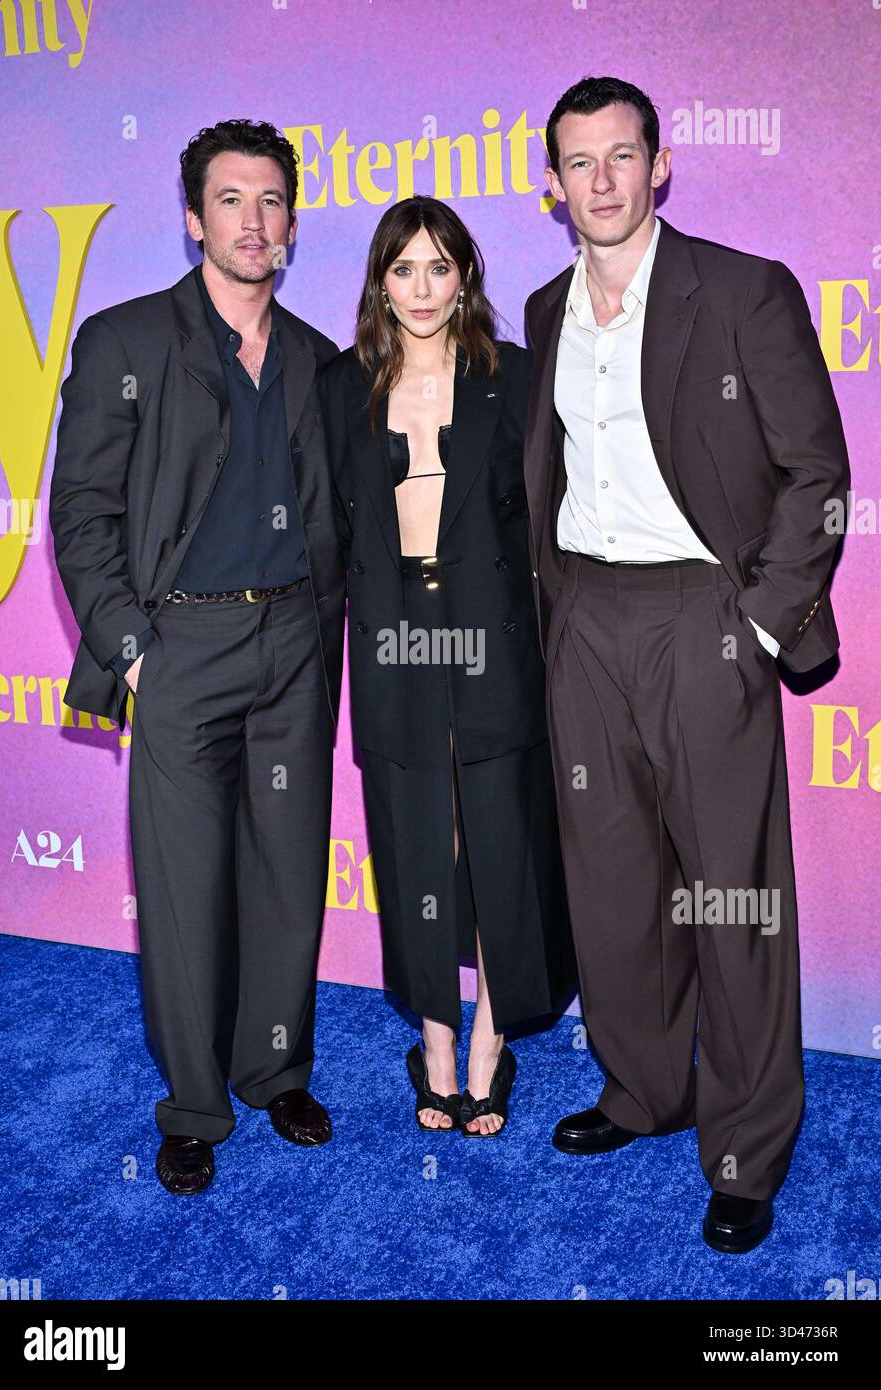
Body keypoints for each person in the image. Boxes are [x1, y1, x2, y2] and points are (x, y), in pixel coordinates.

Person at [524, 77, 850, 1250]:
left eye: (621, 156)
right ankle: (642, 1090)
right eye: (578, 161)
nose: (600, 180)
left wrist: (757, 626)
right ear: (549, 181)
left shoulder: (740, 290)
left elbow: (817, 474)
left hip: (702, 614)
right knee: (610, 885)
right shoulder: (540, 309)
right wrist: (558, 617)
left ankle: (744, 1142)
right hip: (586, 619)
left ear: (659, 166)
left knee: (730, 893)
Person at [49, 120, 344, 1194]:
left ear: (292, 221)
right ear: (191, 219)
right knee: (182, 886)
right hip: (180, 644)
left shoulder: (318, 359)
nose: (252, 220)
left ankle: (274, 1071)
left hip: (296, 642)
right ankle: (193, 1105)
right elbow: (79, 510)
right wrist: (132, 652)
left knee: (286, 872)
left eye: (270, 200)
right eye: (229, 199)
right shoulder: (126, 342)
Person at [320, 196, 575, 1137]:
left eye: (439, 267)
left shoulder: (513, 377)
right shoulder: (340, 387)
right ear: (379, 282)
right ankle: (434, 1040)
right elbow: (328, 530)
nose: (421, 289)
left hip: (497, 635)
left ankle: (490, 1043)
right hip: (391, 633)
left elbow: (554, 516)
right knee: (418, 838)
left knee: (501, 837)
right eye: (402, 270)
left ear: (464, 273)